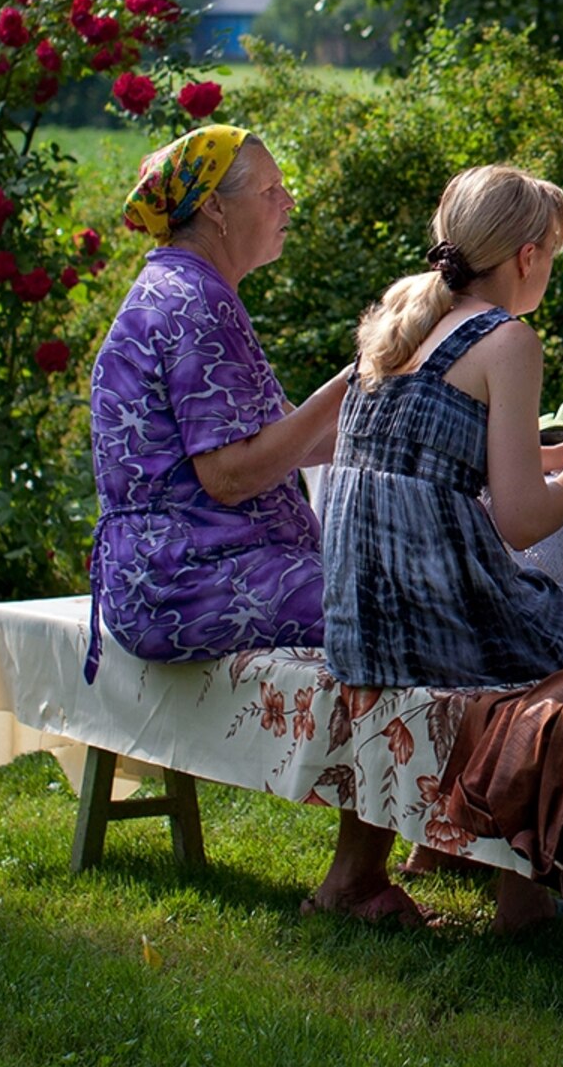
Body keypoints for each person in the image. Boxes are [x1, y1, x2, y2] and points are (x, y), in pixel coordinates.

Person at [309, 163, 563, 927]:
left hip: (365, 612)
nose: (550, 272)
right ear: (527, 255)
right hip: (443, 615)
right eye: (552, 256)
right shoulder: (507, 340)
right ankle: (530, 880)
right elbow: (521, 521)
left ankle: (450, 857)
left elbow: (433, 466)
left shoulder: (403, 313)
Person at [88, 125, 384, 919]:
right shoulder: (193, 303)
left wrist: (398, 406)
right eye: (271, 192)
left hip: (168, 571)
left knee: (396, 585)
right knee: (391, 607)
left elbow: (284, 440)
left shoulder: (186, 289)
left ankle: (421, 837)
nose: (288, 203)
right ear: (216, 210)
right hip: (184, 580)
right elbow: (232, 473)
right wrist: (361, 377)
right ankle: (357, 879)